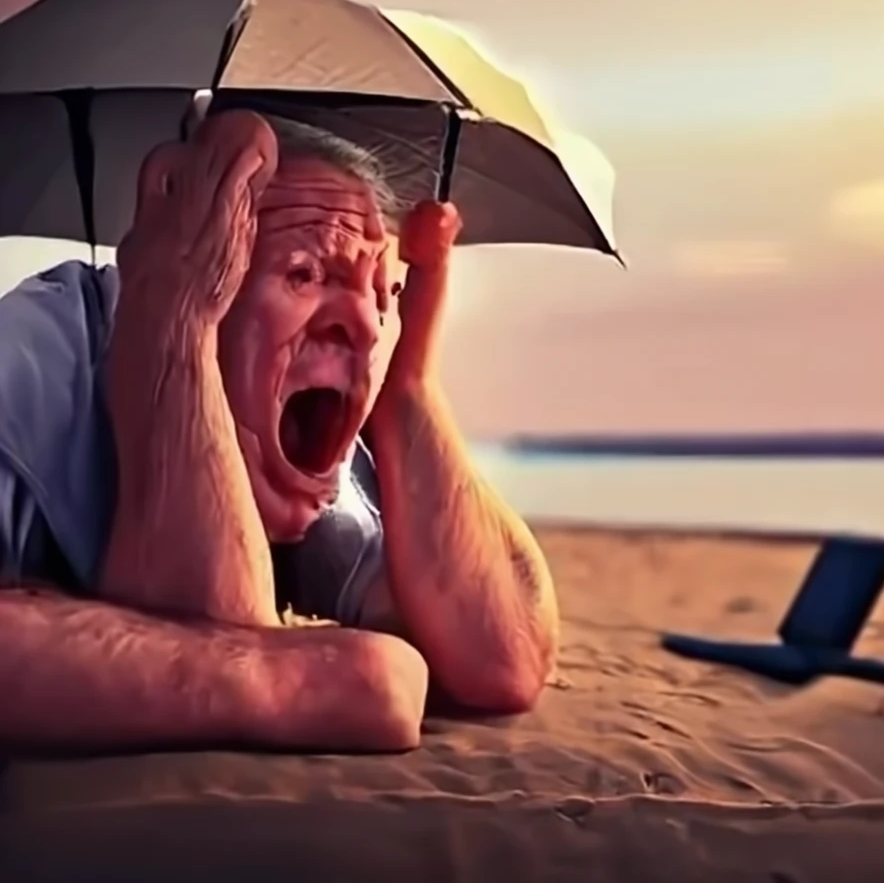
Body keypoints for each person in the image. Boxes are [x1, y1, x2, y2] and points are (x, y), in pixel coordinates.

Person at [0, 109, 558, 753]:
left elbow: (502, 658)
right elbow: (227, 642)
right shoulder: (28, 368)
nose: (367, 327)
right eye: (305, 275)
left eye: (380, 291)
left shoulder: (306, 443)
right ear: (201, 270)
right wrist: (292, 681)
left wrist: (411, 388)